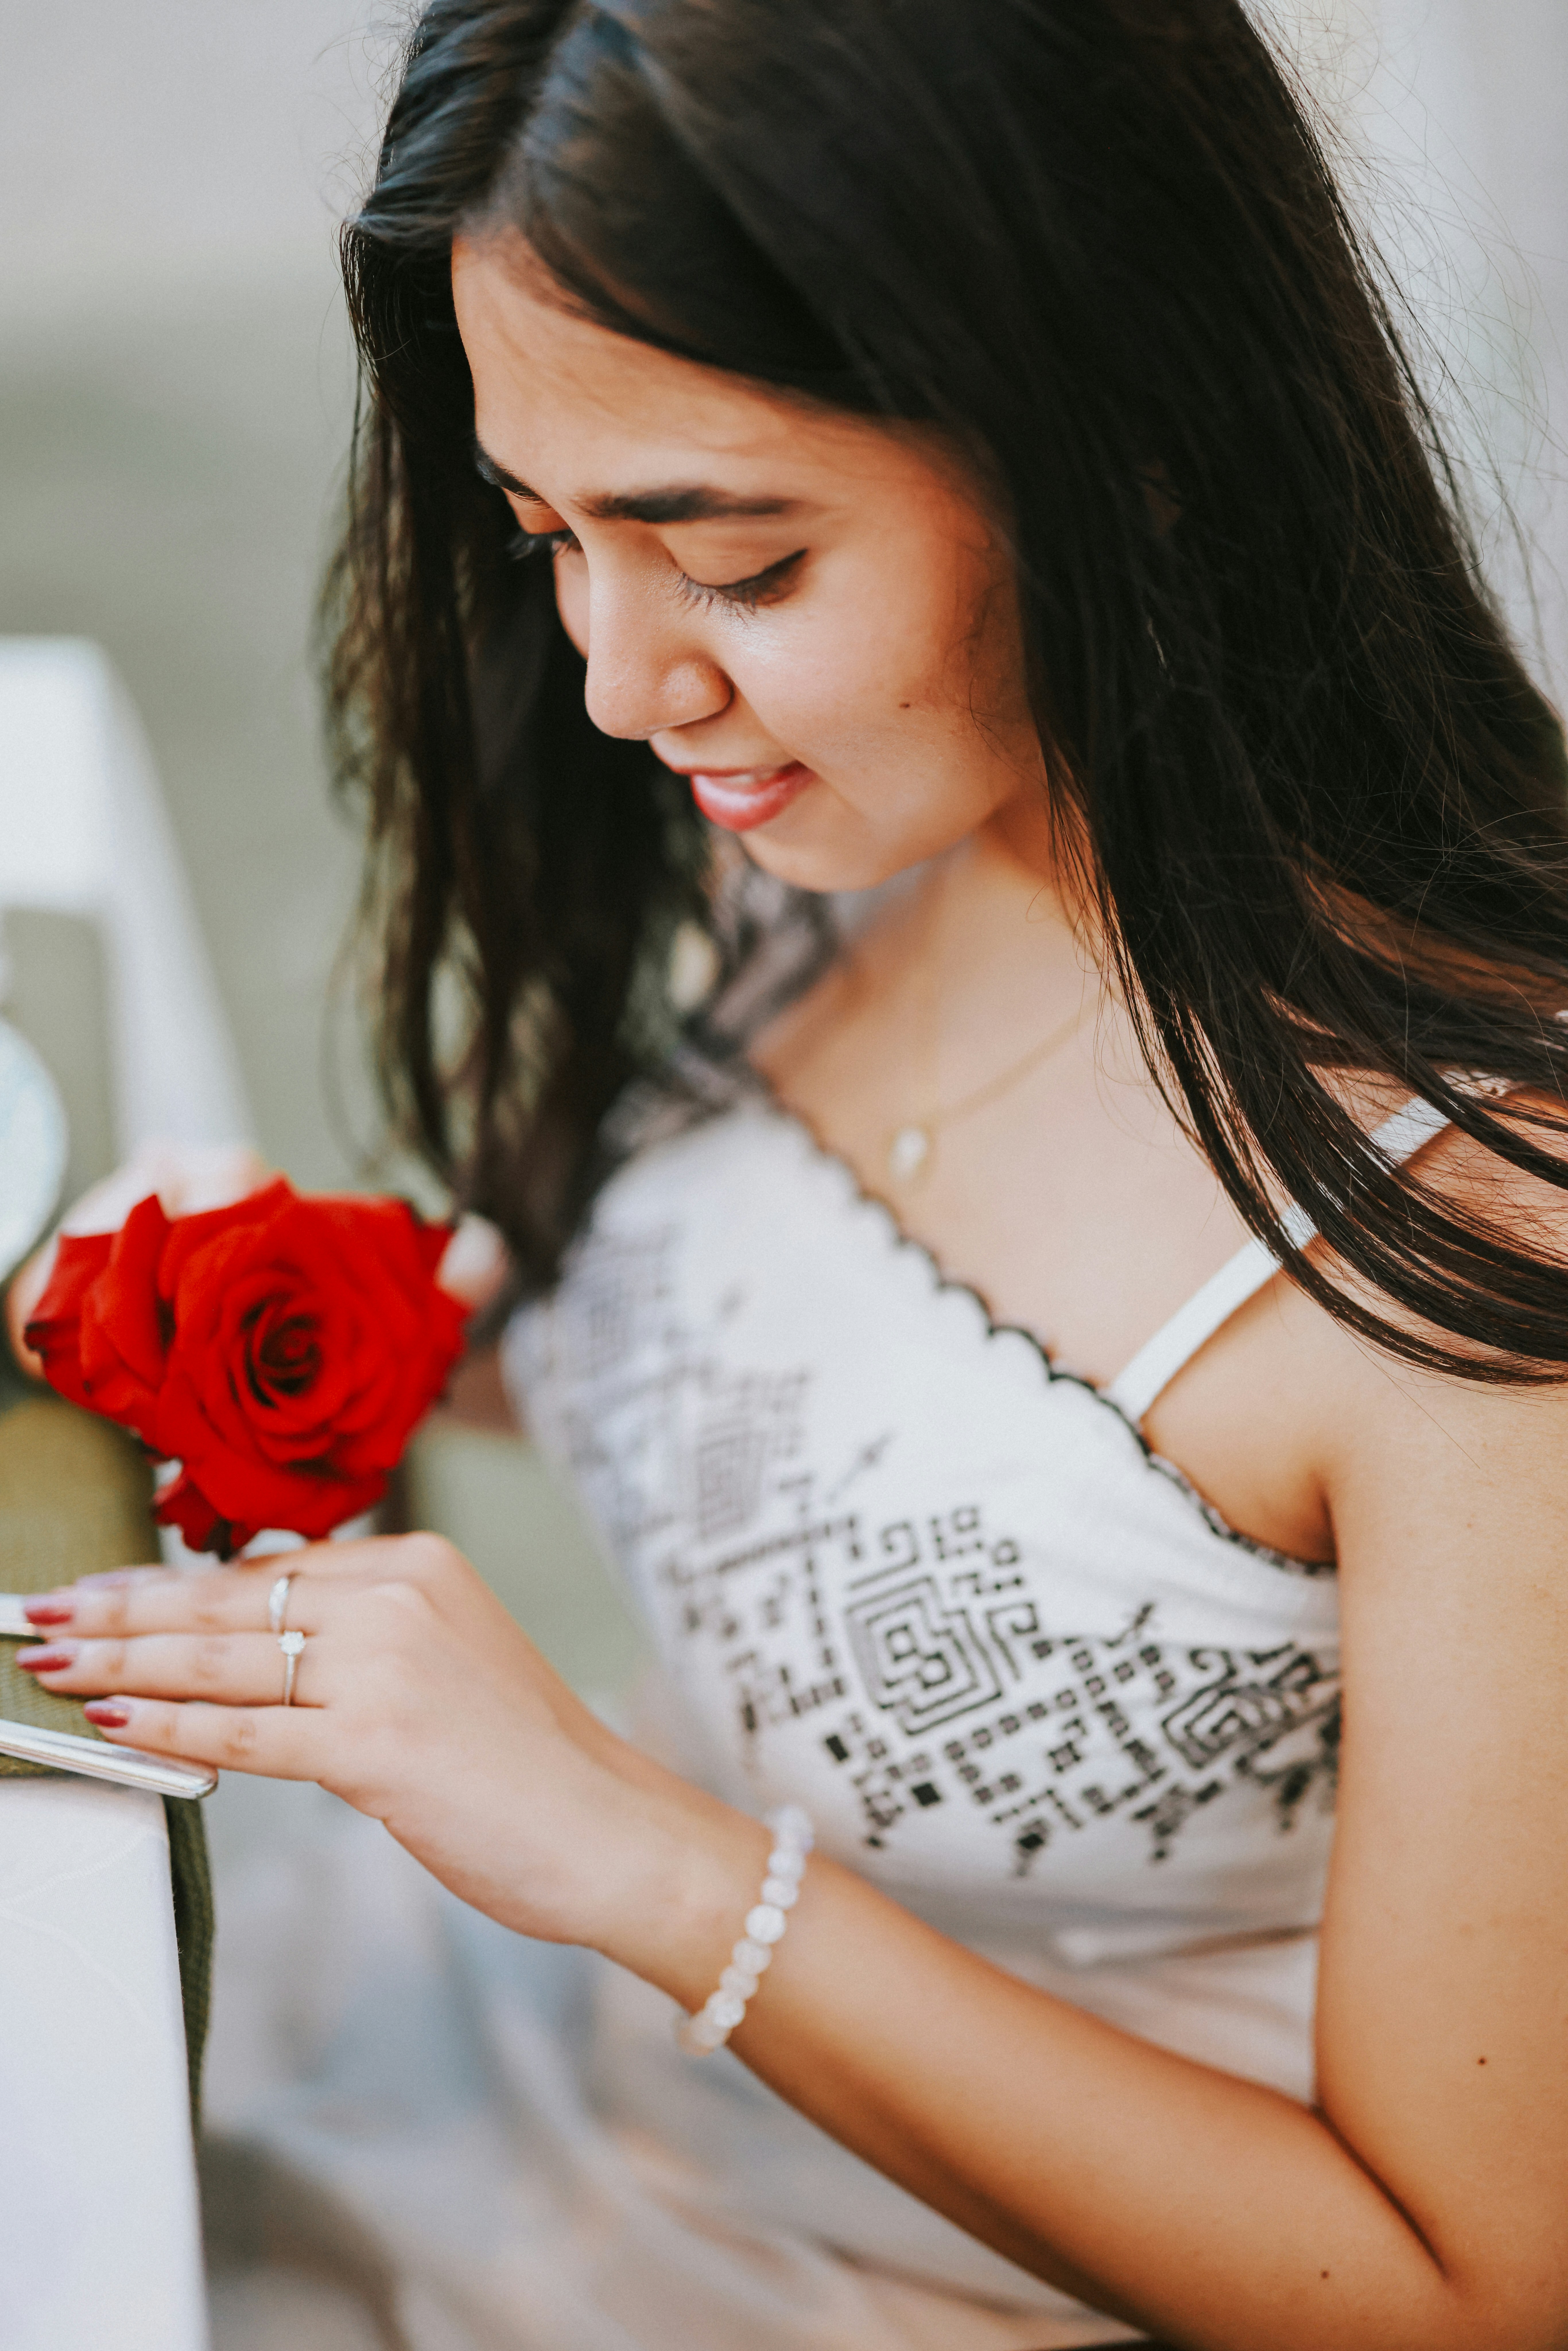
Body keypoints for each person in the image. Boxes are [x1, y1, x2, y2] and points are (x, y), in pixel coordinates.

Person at [15, 3, 1568, 2343]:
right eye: (541, 531)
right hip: (483, 2076)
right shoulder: (847, 824)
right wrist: (321, 1324)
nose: (621, 682)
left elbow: (1468, 2288)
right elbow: (799, 1409)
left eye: (728, 559)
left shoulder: (1470, 1236)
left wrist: (653, 1868)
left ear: (1123, 441)